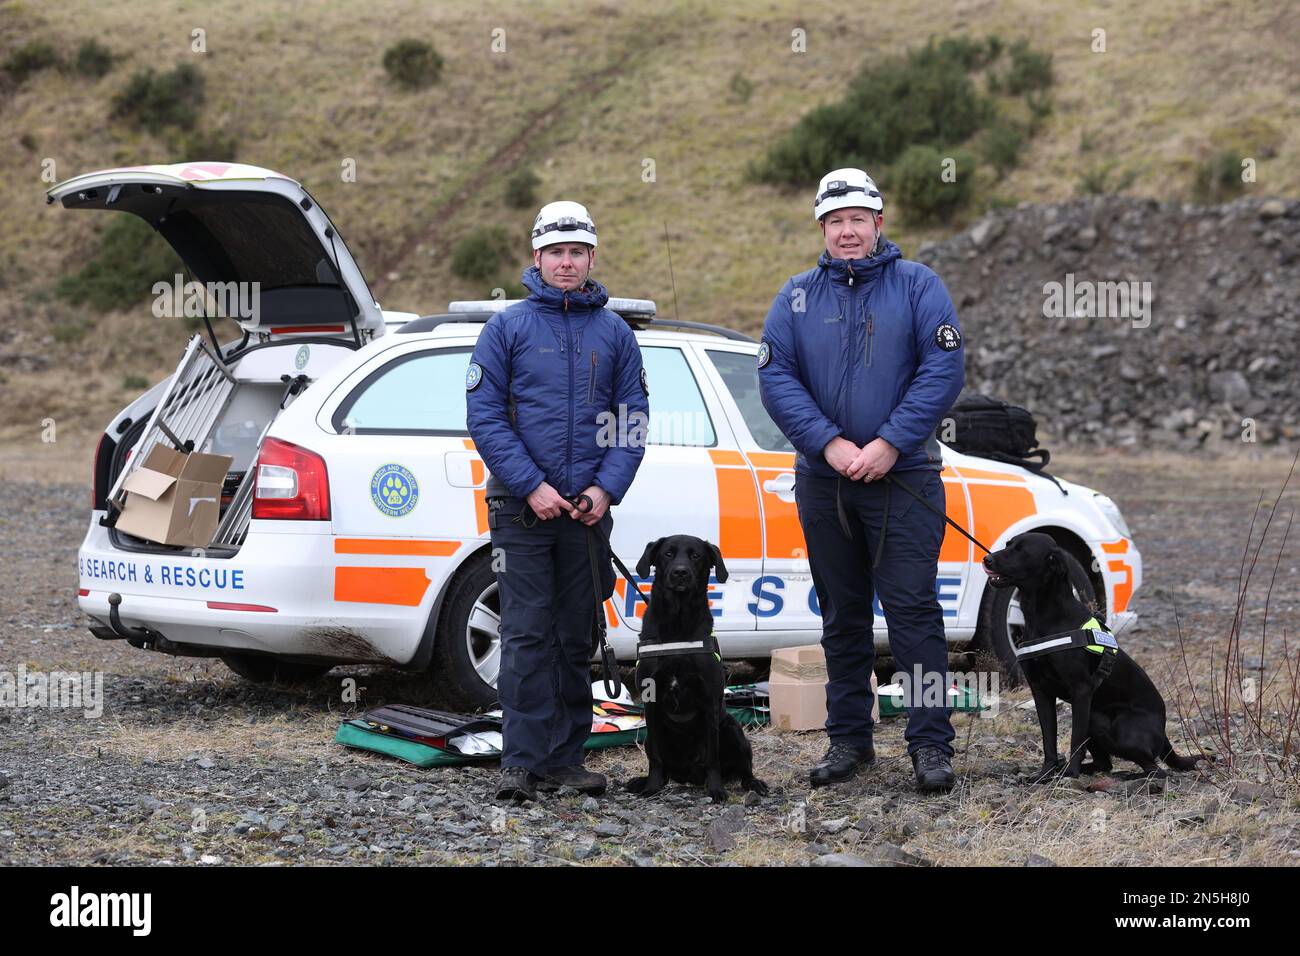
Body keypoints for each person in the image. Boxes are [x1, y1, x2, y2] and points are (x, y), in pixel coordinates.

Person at [758, 168, 966, 793]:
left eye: (857, 219)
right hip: (826, 484)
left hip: (905, 478)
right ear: (822, 228)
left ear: (880, 222)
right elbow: (776, 380)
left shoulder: (917, 285)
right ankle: (849, 741)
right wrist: (830, 443)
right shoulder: (794, 296)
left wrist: (889, 443)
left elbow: (944, 368)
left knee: (914, 615)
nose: (847, 232)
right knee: (841, 618)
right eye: (835, 221)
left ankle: (931, 744)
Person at [466, 200, 649, 802]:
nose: (566, 263)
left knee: (577, 634)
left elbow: (631, 420)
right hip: (521, 511)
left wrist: (604, 488)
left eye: (577, 252)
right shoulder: (506, 330)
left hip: (587, 514)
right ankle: (520, 761)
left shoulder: (616, 333)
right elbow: (485, 417)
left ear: (592, 257)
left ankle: (566, 759)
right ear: (536, 257)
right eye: (556, 253)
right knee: (523, 635)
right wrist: (532, 485)